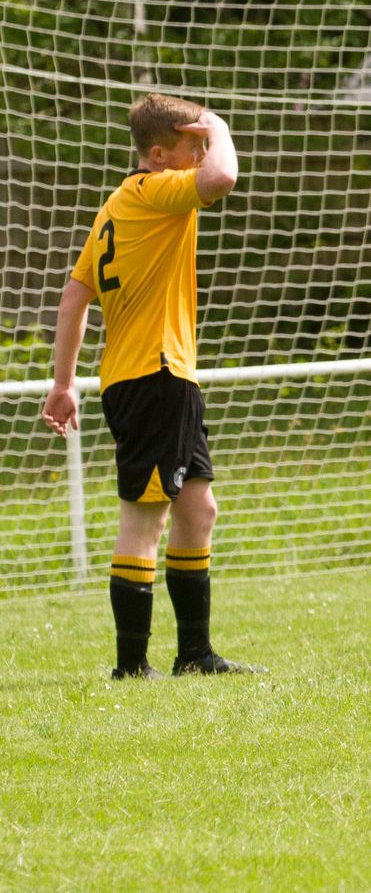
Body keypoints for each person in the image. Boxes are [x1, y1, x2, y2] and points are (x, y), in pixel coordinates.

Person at [39, 94, 255, 679]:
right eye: (193, 146)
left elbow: (73, 295)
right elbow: (224, 177)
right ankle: (131, 666)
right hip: (153, 375)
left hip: (160, 375)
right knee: (145, 517)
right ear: (159, 156)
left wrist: (64, 384)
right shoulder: (156, 192)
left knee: (198, 507)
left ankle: (195, 654)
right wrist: (221, 125)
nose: (202, 152)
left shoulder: (115, 206)